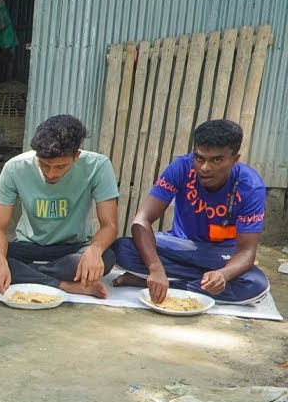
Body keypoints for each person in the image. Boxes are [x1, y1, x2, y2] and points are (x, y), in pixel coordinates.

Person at [112, 119, 269, 304]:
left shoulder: (250, 187)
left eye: (216, 159)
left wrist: (223, 275)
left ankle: (165, 284)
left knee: (255, 284)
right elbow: (142, 220)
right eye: (199, 158)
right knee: (120, 249)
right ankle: (188, 282)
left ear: (235, 159)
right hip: (178, 246)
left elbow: (247, 251)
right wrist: (155, 268)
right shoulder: (181, 167)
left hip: (220, 257)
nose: (204, 168)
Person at [0, 114, 119, 297]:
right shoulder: (14, 168)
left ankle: (24, 273)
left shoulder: (98, 166)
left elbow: (109, 225)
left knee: (106, 258)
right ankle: (63, 285)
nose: (51, 173)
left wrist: (95, 250)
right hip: (27, 246)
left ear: (76, 156)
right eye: (44, 165)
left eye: (60, 167)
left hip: (71, 247)